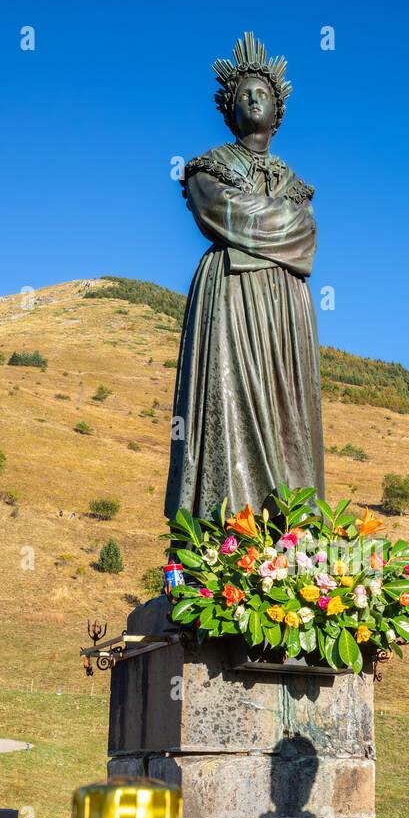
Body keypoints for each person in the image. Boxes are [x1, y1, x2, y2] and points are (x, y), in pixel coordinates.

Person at [164, 32, 324, 521]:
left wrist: (268, 225)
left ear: (278, 111)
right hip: (231, 294)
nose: (254, 98)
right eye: (244, 94)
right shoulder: (207, 168)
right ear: (230, 109)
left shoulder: (296, 182)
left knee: (287, 410)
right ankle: (227, 528)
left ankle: (290, 529)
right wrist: (279, 224)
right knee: (227, 399)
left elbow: (307, 236)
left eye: (264, 93)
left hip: (285, 306)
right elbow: (221, 211)